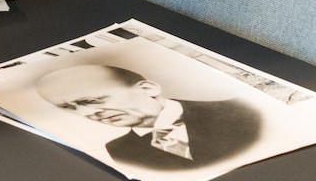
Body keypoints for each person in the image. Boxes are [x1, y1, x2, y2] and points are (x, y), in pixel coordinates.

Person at [37, 64, 263, 174]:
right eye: (69, 107)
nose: (87, 114)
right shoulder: (120, 151)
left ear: (148, 88)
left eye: (91, 100)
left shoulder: (243, 112)